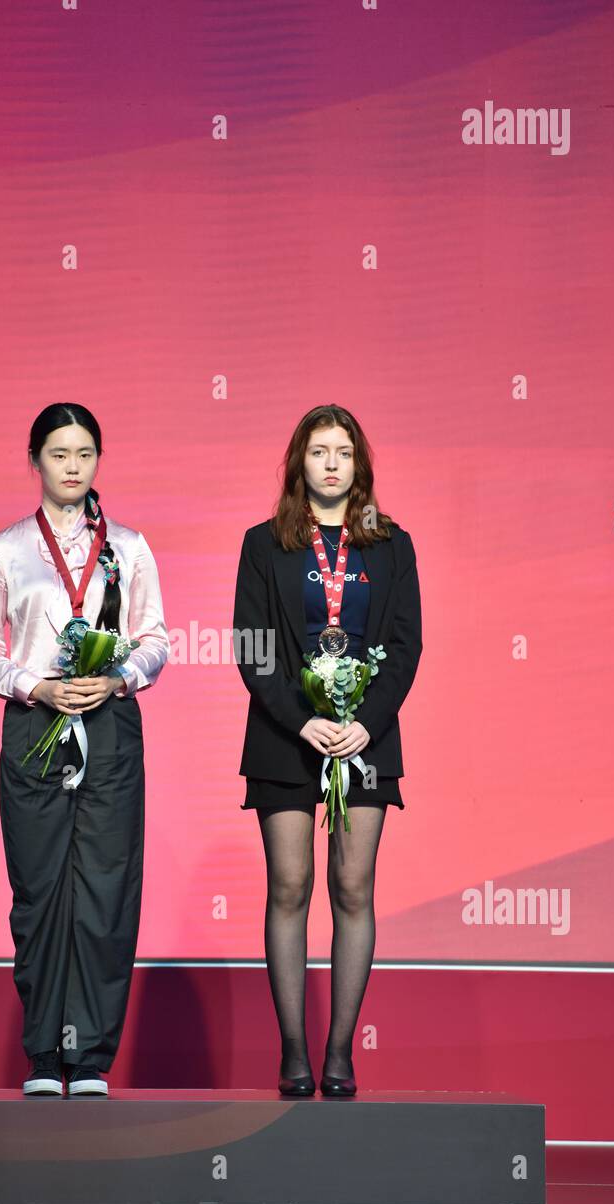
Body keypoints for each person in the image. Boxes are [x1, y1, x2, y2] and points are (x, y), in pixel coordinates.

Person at [0, 402, 169, 1098]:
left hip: (110, 726)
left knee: (106, 887)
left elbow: (155, 639)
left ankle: (88, 1058)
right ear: (35, 462)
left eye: (84, 453)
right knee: (39, 889)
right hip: (33, 727)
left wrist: (116, 678)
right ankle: (43, 1054)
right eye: (58, 454)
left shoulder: (128, 548)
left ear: (97, 461)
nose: (72, 466)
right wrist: (37, 687)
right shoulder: (4, 549)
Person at [233, 404, 422, 1098]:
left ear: (359, 463)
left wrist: (366, 722)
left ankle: (339, 1053)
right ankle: (293, 1052)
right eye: (319, 451)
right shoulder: (263, 544)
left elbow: (405, 645)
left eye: (343, 451)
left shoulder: (391, 544)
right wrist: (300, 719)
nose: (332, 463)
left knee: (352, 887)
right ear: (299, 463)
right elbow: (252, 646)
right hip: (285, 734)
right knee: (289, 887)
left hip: (365, 736)